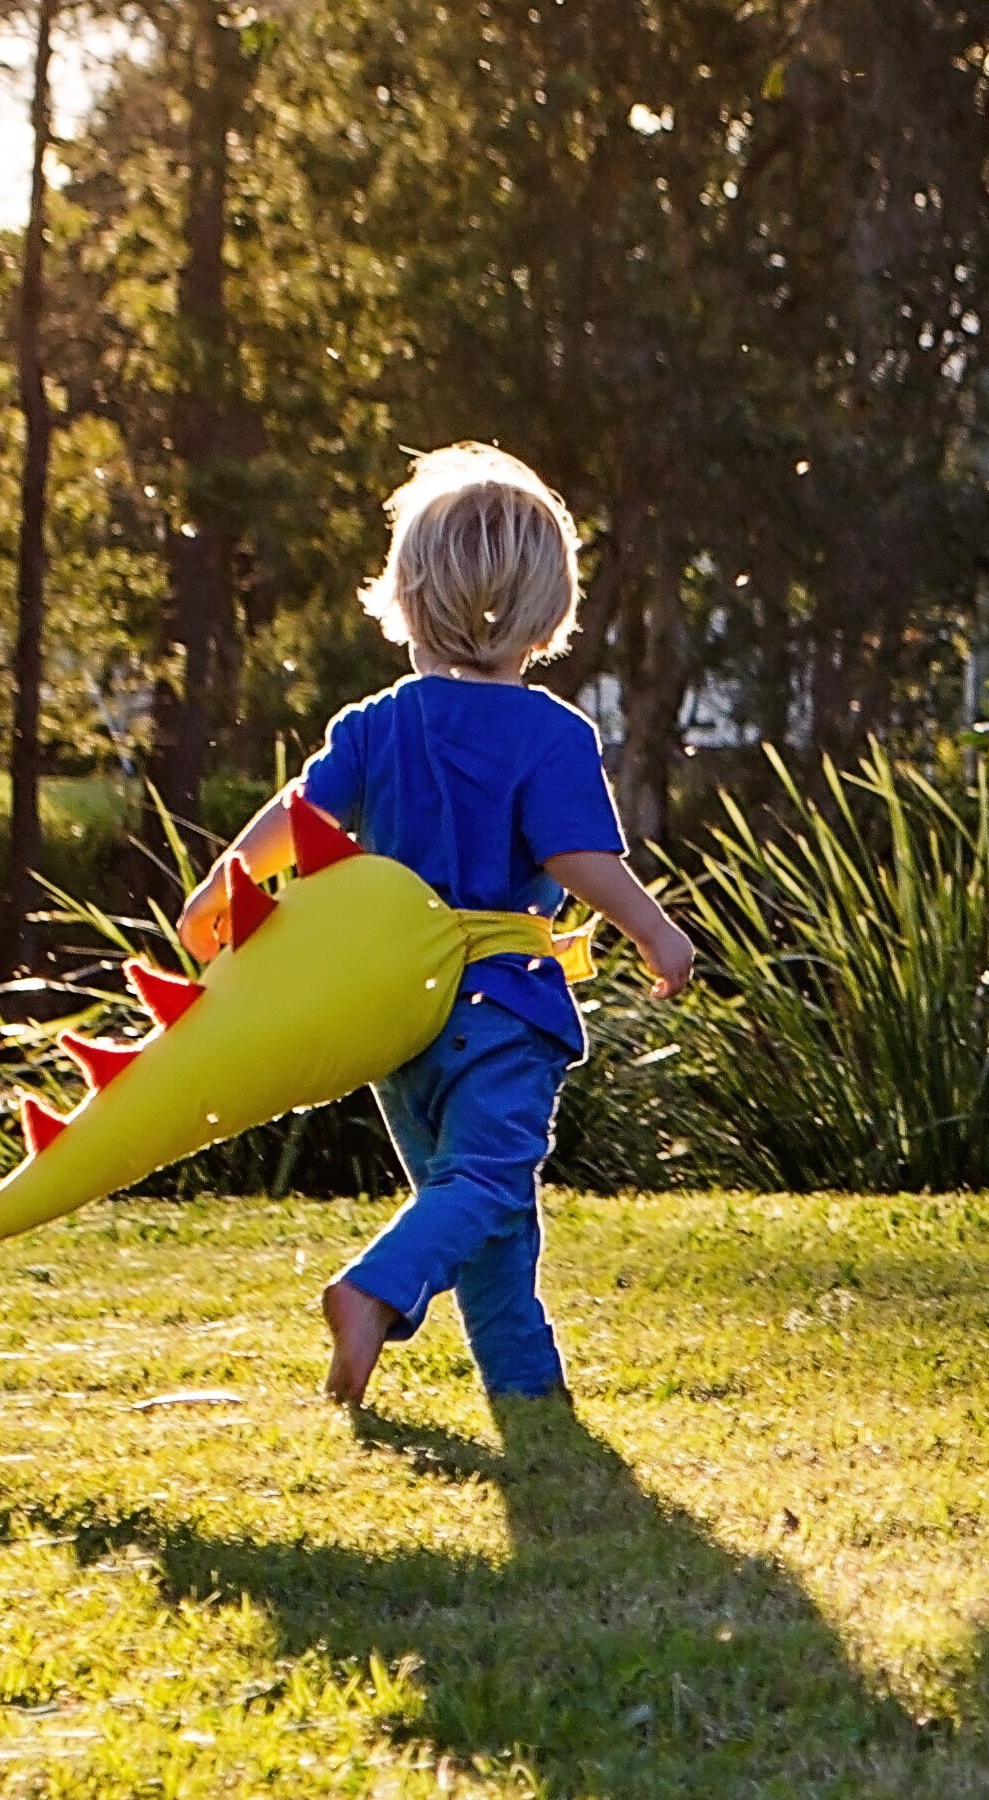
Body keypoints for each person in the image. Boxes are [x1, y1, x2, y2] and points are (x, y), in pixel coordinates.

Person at [179, 443, 695, 1408]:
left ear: (406, 597)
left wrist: (224, 882)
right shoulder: (552, 733)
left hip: (398, 1021)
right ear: (546, 615)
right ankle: (370, 1291)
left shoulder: (373, 724)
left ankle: (527, 1389)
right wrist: (654, 930)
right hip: (501, 1007)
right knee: (490, 1187)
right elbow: (579, 858)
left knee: (480, 1204)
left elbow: (303, 815)